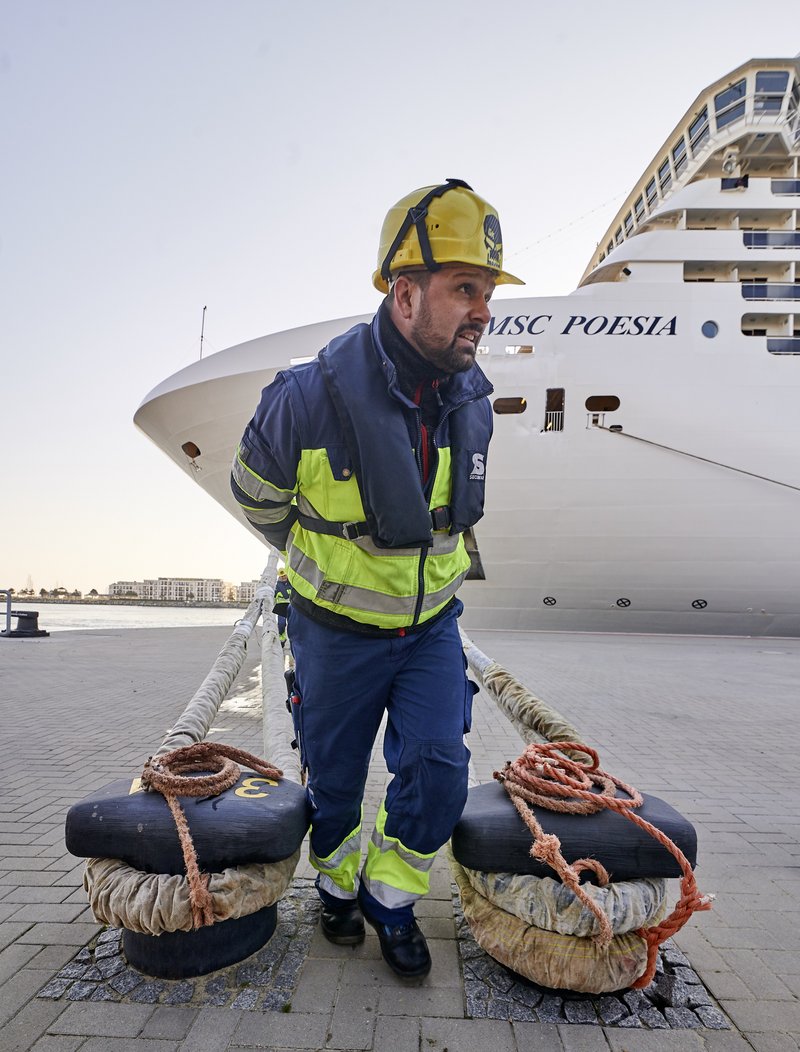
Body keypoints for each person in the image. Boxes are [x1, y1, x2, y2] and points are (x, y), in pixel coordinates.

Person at [231, 178, 522, 980]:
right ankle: (335, 885)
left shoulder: (474, 401)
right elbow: (255, 496)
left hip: (429, 630)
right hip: (332, 633)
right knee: (333, 782)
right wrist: (321, 558)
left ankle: (392, 899)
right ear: (404, 295)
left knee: (438, 770)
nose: (483, 310)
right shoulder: (305, 399)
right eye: (466, 288)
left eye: (487, 291)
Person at [273, 567, 291, 645]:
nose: (283, 577)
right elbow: (273, 596)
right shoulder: (277, 586)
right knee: (281, 624)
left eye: (284, 575)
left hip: (291, 606)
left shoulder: (291, 583)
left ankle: (293, 639)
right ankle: (282, 638)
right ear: (279, 576)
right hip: (281, 607)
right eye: (282, 576)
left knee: (292, 624)